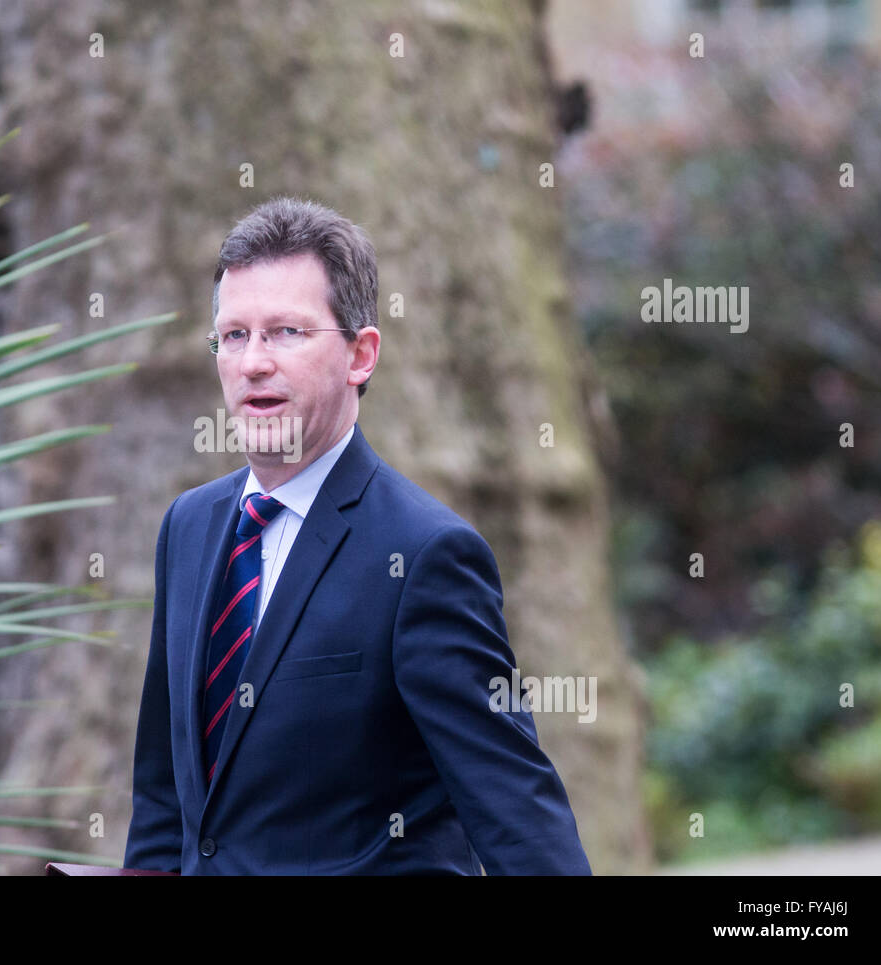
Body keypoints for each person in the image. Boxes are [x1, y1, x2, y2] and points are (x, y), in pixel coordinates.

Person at [123, 196, 592, 874]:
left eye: (286, 332)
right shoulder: (187, 528)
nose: (253, 362)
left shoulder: (428, 555)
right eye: (233, 335)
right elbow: (164, 800)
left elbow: (518, 818)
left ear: (361, 354)